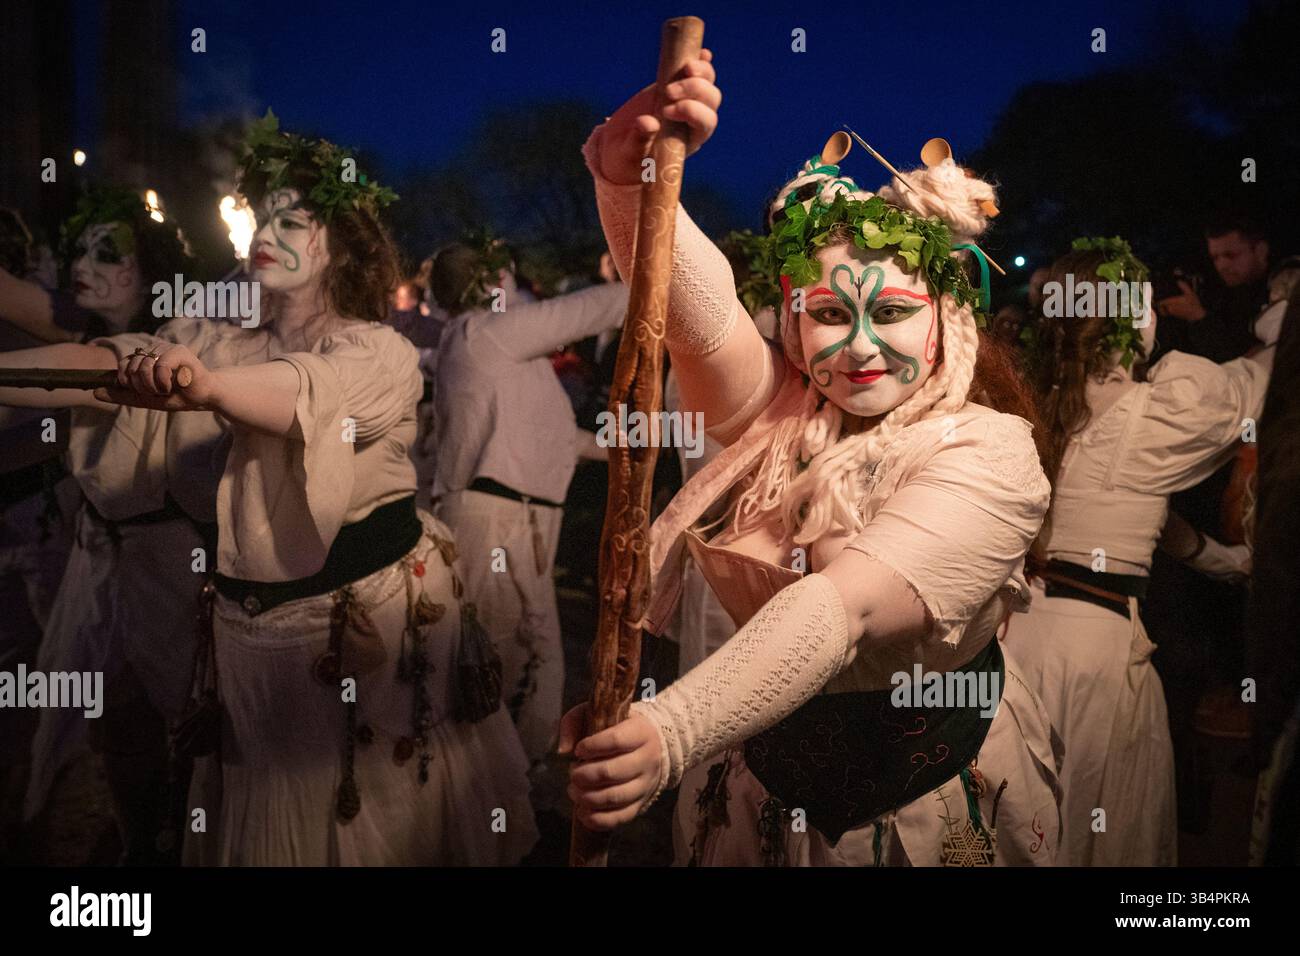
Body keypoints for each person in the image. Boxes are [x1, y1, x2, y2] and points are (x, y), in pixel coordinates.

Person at [561, 50, 1061, 866]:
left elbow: (844, 608)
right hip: (765, 804)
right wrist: (633, 175)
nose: (861, 347)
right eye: (828, 312)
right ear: (792, 325)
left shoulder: (991, 454)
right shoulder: (786, 418)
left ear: (948, 322)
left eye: (893, 311)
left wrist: (673, 729)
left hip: (928, 812)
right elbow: (698, 314)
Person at [1, 115, 537, 865]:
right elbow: (108, 359)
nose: (267, 228)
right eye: (264, 213)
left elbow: (304, 393)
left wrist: (205, 388)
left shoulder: (375, 350)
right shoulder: (216, 332)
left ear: (342, 246)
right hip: (251, 644)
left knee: (368, 825)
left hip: (367, 642)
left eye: (295, 219)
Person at [1006, 238, 1272, 865]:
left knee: (1022, 822)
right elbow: (1252, 386)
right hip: (1093, 654)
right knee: (1094, 831)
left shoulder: (1035, 405)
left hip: (1019, 639)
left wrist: (1227, 562)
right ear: (1130, 320)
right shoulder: (1155, 411)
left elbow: (1138, 517)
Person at [0, 189, 199, 864]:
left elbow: (90, 374)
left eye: (108, 253)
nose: (86, 261)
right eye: (80, 249)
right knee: (115, 727)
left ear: (151, 271)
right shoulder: (80, 328)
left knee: (189, 728)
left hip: (175, 564)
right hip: (97, 557)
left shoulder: (185, 340)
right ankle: (134, 845)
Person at [431, 238, 628, 772]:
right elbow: (600, 306)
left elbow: (553, 439)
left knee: (534, 666)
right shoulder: (487, 332)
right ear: (496, 279)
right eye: (508, 275)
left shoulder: (499, 348)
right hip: (492, 519)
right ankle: (481, 801)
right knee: (494, 665)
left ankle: (508, 795)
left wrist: (625, 450)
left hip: (523, 517)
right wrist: (658, 274)